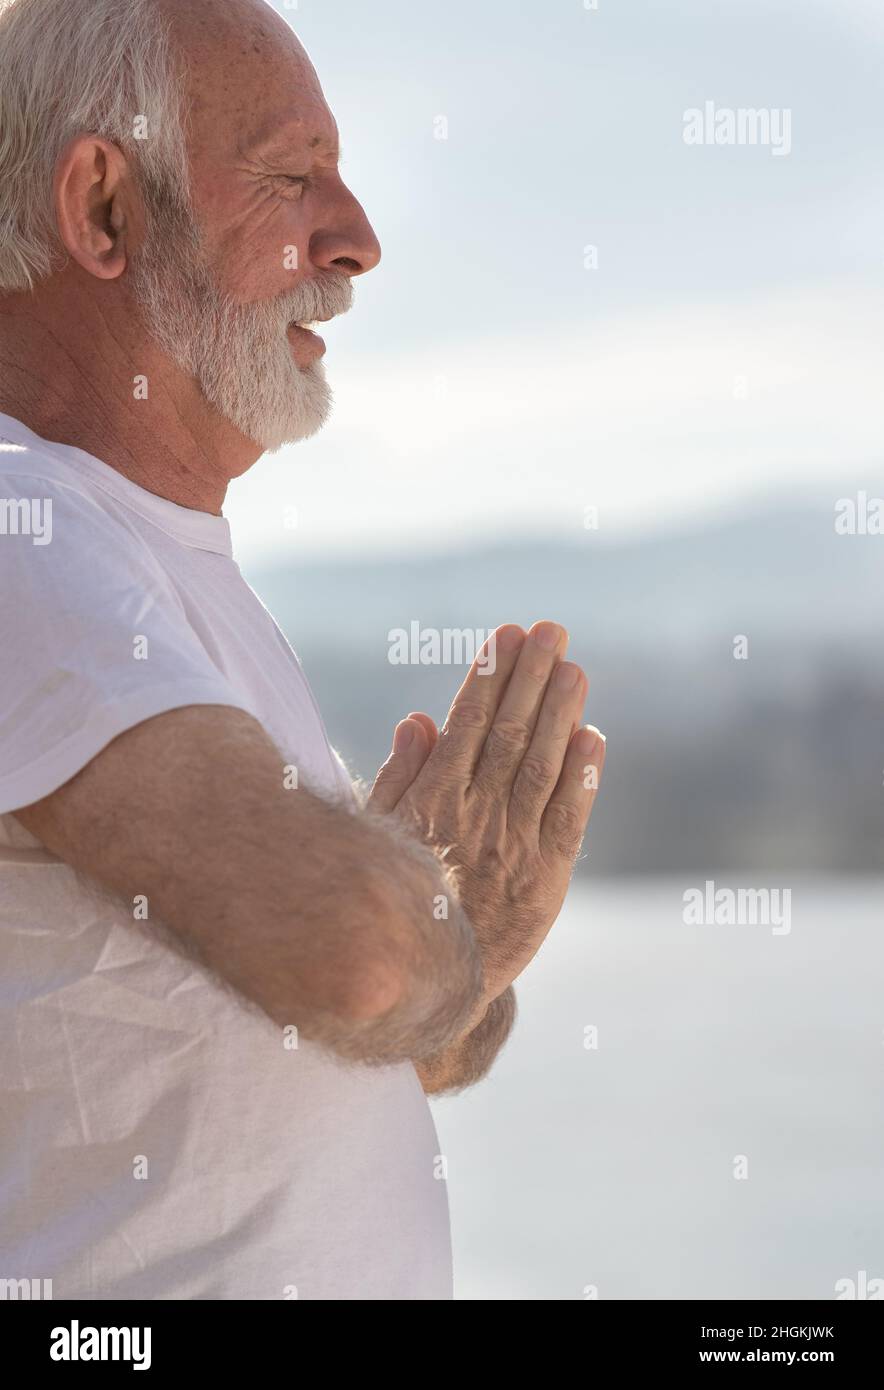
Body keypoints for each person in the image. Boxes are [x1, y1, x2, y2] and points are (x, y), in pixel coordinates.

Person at [0, 0, 606, 1299]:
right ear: (102, 208)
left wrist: (451, 947)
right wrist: (449, 929)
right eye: (293, 175)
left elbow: (373, 1018)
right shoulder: (20, 520)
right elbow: (366, 958)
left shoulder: (152, 559)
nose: (359, 238)